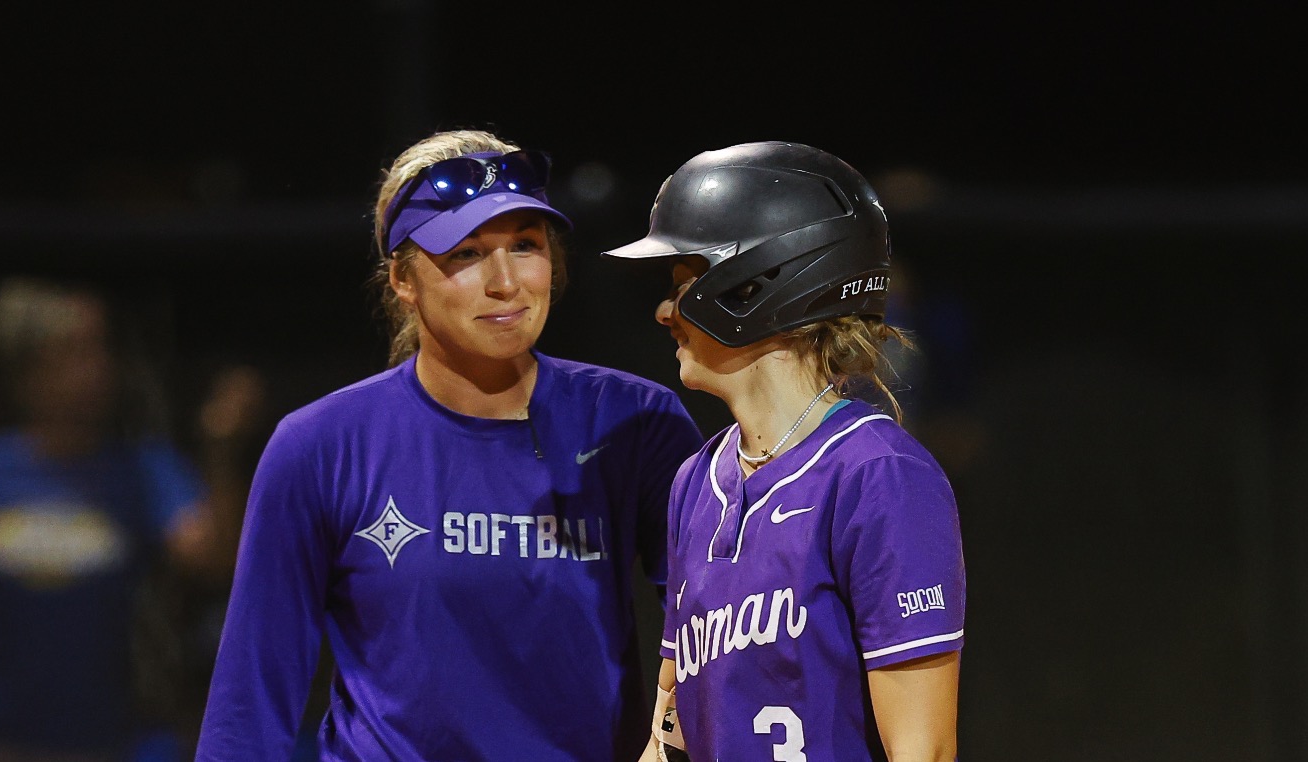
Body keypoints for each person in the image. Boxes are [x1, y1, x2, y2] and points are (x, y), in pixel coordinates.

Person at [195, 128, 705, 761]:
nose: (506, 282)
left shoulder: (635, 422)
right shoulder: (320, 447)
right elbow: (252, 696)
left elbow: (717, 629)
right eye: (465, 253)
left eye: (526, 246)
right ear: (403, 280)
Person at [602, 141, 967, 762]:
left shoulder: (878, 474)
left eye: (684, 282)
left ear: (754, 287)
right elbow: (670, 734)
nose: (666, 312)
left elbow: (923, 750)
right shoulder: (698, 480)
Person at [0, 277, 215, 761]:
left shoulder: (142, 469)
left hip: (101, 741)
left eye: (102, 349)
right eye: (74, 352)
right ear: (27, 368)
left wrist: (224, 450)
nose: (98, 369)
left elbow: (212, 559)